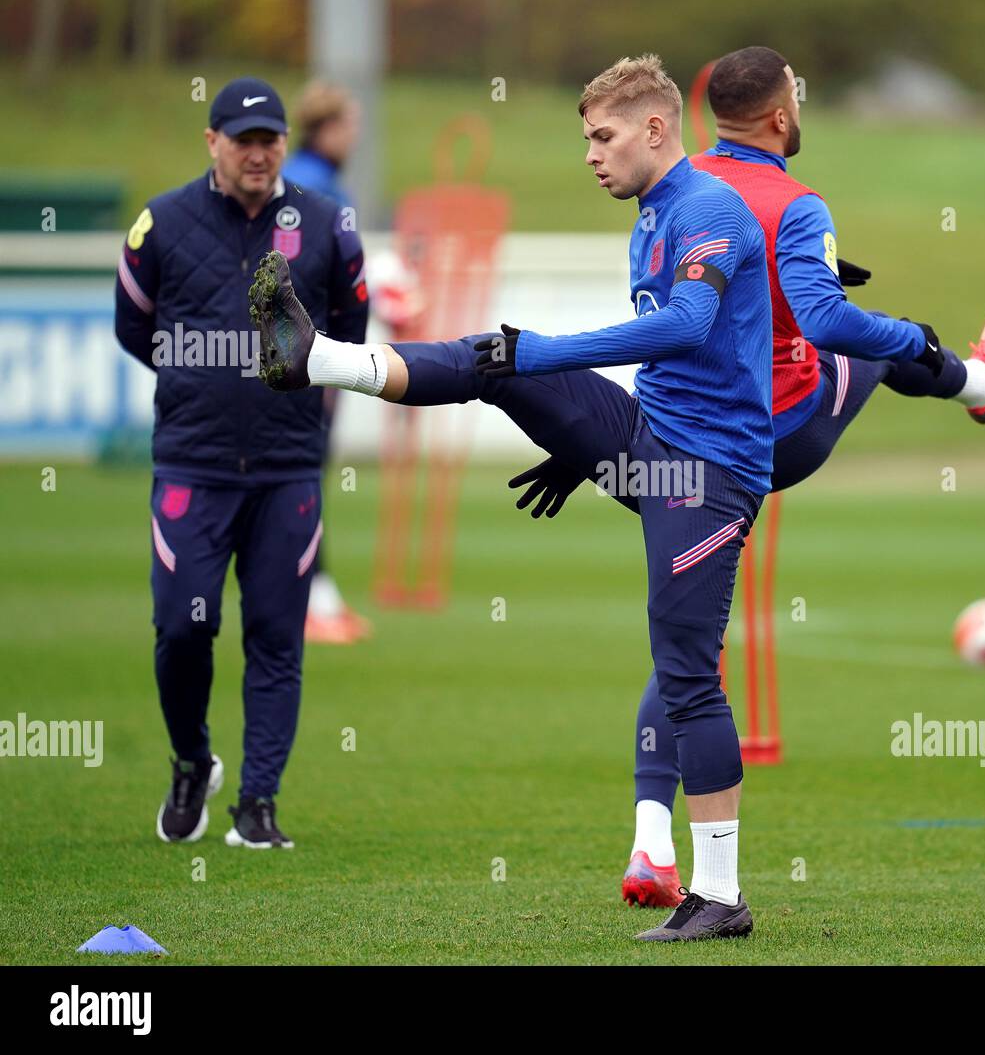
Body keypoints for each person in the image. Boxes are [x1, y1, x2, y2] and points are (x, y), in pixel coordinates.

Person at [252, 54, 782, 942]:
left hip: (708, 476)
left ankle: (722, 897)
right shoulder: (653, 216)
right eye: (586, 140)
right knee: (495, 357)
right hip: (652, 443)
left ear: (657, 128)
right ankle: (323, 361)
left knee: (688, 672)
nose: (590, 155)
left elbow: (688, 329)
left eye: (602, 136)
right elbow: (664, 366)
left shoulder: (708, 209)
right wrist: (581, 446)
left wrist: (552, 359)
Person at [505, 46, 985, 908]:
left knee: (683, 650)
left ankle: (649, 846)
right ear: (783, 117)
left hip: (673, 438)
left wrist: (581, 446)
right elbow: (821, 315)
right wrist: (907, 334)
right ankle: (977, 381)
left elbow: (672, 329)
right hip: (773, 435)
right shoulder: (796, 199)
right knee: (876, 351)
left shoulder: (683, 186)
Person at [114, 76, 368, 849]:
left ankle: (257, 802)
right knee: (181, 628)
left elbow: (348, 329)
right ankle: (192, 761)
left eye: (271, 140)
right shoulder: (161, 224)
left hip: (290, 467)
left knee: (276, 635)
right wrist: (201, 385)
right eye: (243, 140)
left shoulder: (328, 224)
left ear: (287, 144)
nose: (258, 154)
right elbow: (135, 327)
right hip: (193, 465)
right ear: (213, 143)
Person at [282, 80, 370, 644]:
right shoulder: (321, 192)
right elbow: (334, 279)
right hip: (310, 358)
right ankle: (311, 598)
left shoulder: (294, 179)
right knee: (302, 476)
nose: (355, 136)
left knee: (295, 475)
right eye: (349, 125)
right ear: (328, 128)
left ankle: (314, 594)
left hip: (284, 354)